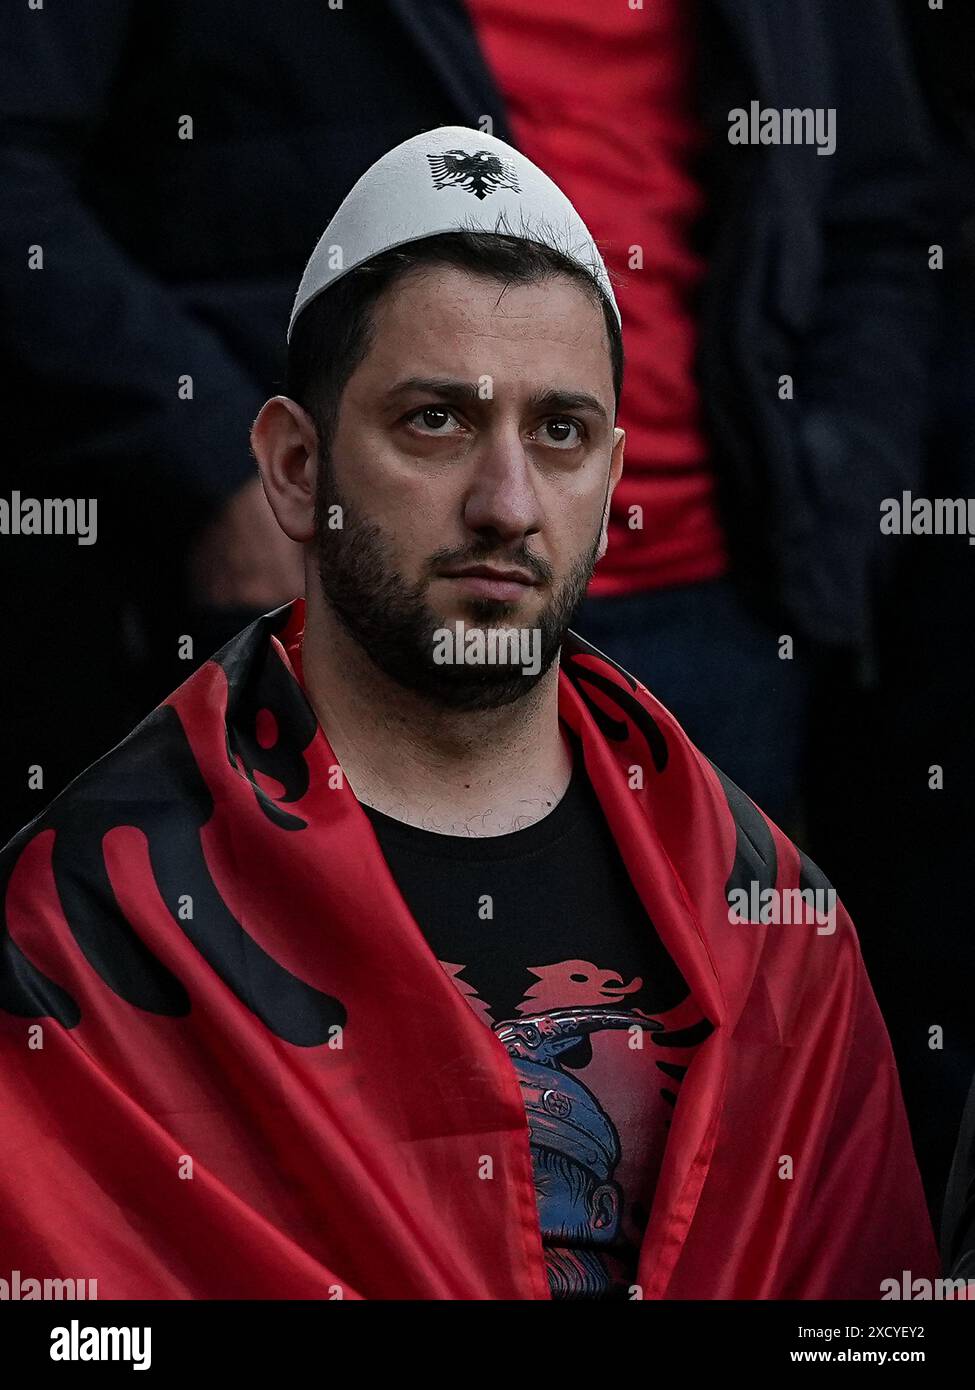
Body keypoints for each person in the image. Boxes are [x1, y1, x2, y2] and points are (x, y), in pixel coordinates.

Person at [0, 128, 936, 1300]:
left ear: (610, 481)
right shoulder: (85, 920)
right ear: (295, 468)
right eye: (435, 421)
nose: (506, 502)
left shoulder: (774, 919)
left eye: (560, 433)